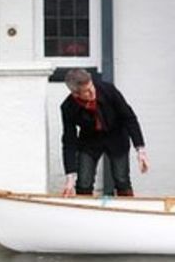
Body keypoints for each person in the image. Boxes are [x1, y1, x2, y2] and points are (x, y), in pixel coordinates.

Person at [60, 69, 149, 197]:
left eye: (92, 86)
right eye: (86, 91)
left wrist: (140, 150)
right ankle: (84, 207)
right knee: (84, 182)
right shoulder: (68, 107)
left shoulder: (108, 90)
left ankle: (126, 207)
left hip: (116, 136)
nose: (92, 92)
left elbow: (129, 117)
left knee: (121, 179)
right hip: (89, 140)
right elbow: (69, 140)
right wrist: (70, 176)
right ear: (75, 94)